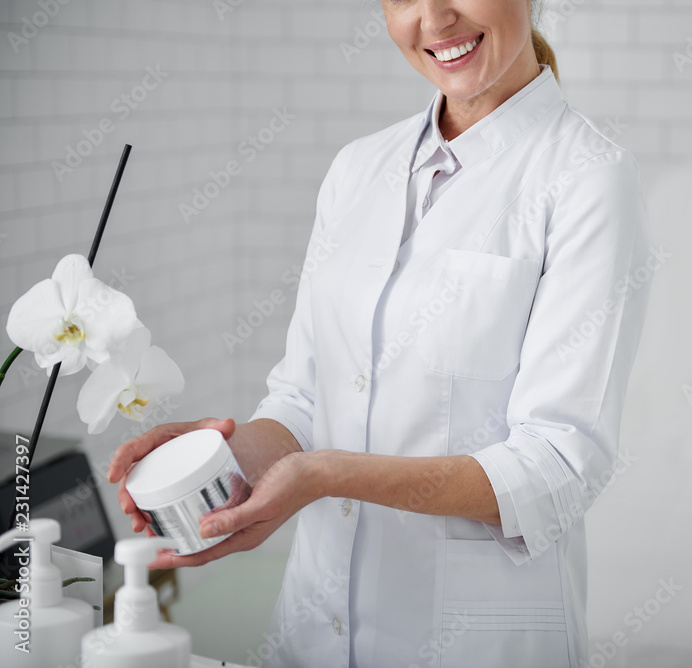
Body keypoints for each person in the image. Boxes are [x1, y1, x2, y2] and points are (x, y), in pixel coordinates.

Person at [108, 1, 651, 665]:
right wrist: (229, 458)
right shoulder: (356, 169)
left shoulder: (586, 179)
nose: (436, 17)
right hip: (313, 628)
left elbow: (559, 467)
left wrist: (326, 475)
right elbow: (305, 398)